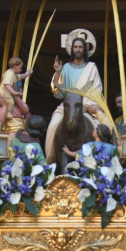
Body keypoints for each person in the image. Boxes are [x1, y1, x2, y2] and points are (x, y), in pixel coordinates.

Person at [44, 31, 104, 162]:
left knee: (99, 129)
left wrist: (86, 106)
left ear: (85, 50)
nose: (78, 49)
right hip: (66, 107)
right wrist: (58, 72)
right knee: (52, 127)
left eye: (80, 47)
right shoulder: (65, 67)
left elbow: (97, 90)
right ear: (72, 49)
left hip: (85, 107)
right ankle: (50, 160)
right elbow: (58, 94)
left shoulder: (91, 67)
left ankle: (97, 160)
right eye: (75, 47)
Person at [0, 56, 33, 132]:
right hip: (3, 94)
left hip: (19, 135)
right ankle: (8, 113)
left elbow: (20, 76)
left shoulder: (14, 75)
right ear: (15, 66)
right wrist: (5, 105)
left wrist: (27, 74)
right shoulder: (9, 74)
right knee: (10, 102)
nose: (21, 70)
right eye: (20, 68)